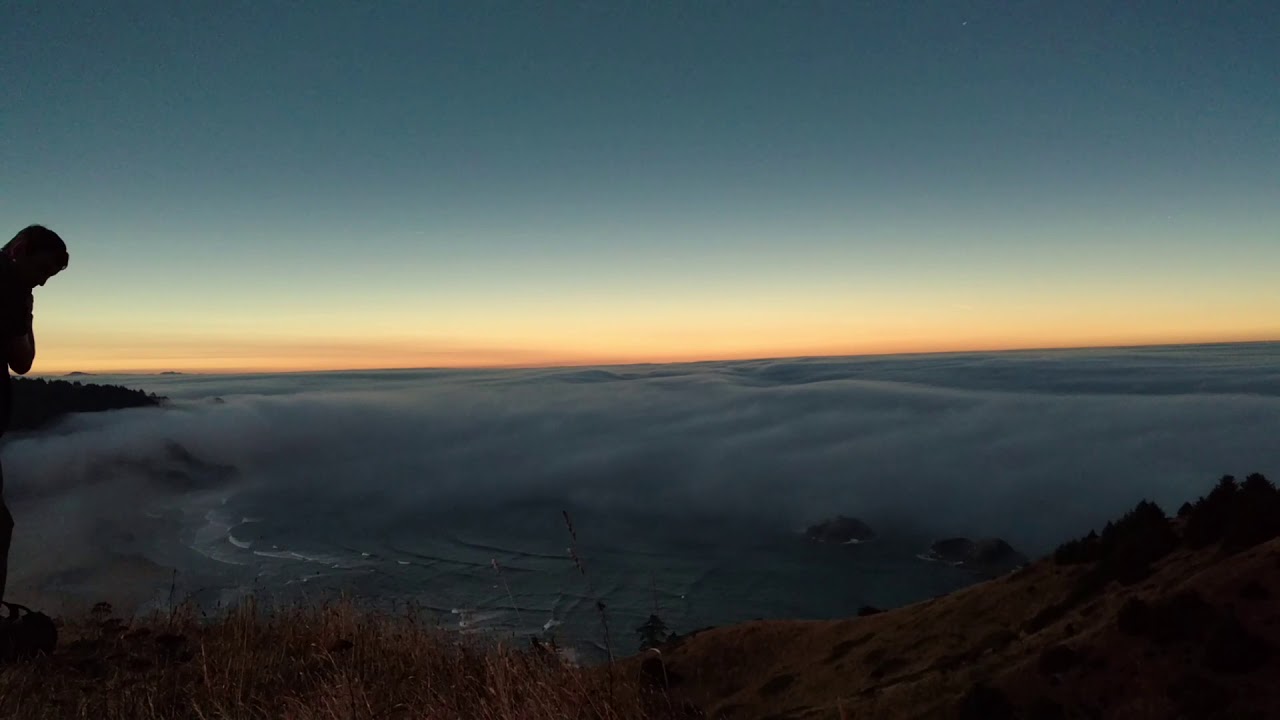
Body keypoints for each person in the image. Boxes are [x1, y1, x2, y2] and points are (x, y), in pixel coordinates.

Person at [0, 225, 69, 602]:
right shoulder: (9, 286)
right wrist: (27, 314)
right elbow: (23, 361)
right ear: (22, 249)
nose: (41, 283)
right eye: (43, 271)